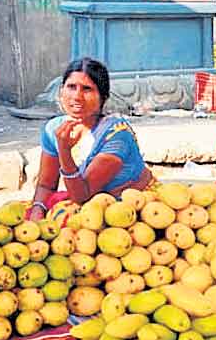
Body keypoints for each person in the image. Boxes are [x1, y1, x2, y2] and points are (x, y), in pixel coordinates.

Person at [27, 59, 154, 220]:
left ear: (103, 97)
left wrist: (64, 151)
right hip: (90, 205)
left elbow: (82, 196)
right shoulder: (54, 128)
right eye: (71, 87)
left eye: (87, 89)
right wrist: (38, 209)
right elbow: (46, 185)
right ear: (61, 91)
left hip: (132, 207)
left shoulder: (116, 134)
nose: (77, 97)